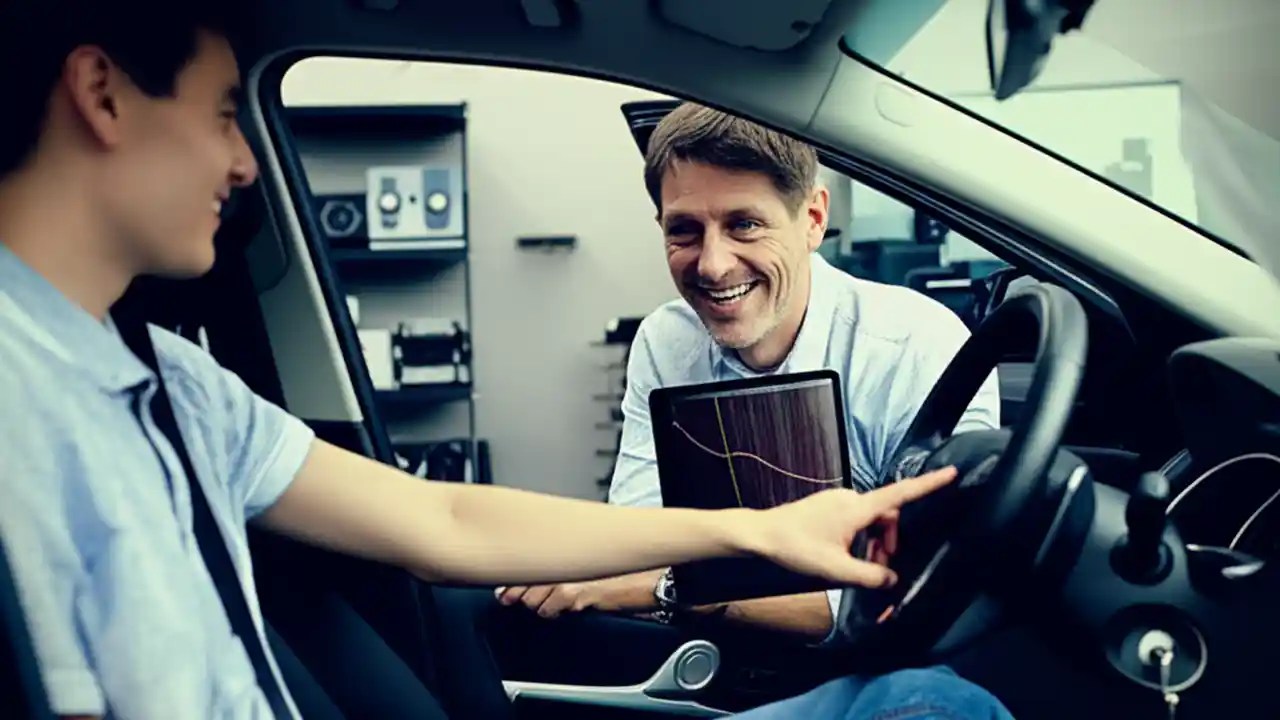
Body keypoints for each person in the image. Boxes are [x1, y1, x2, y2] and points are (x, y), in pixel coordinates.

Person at [0, 2, 1012, 718]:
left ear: (812, 219)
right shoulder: (21, 404)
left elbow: (438, 517)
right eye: (227, 113)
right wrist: (726, 554)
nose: (245, 162)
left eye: (741, 224)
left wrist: (757, 533)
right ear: (102, 93)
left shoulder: (182, 393)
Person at [496, 104, 1002, 643]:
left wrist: (666, 588)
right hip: (713, 659)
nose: (712, 265)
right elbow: (639, 536)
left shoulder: (915, 345)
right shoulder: (666, 342)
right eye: (684, 231)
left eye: (744, 224)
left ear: (812, 220)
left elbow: (910, 592)